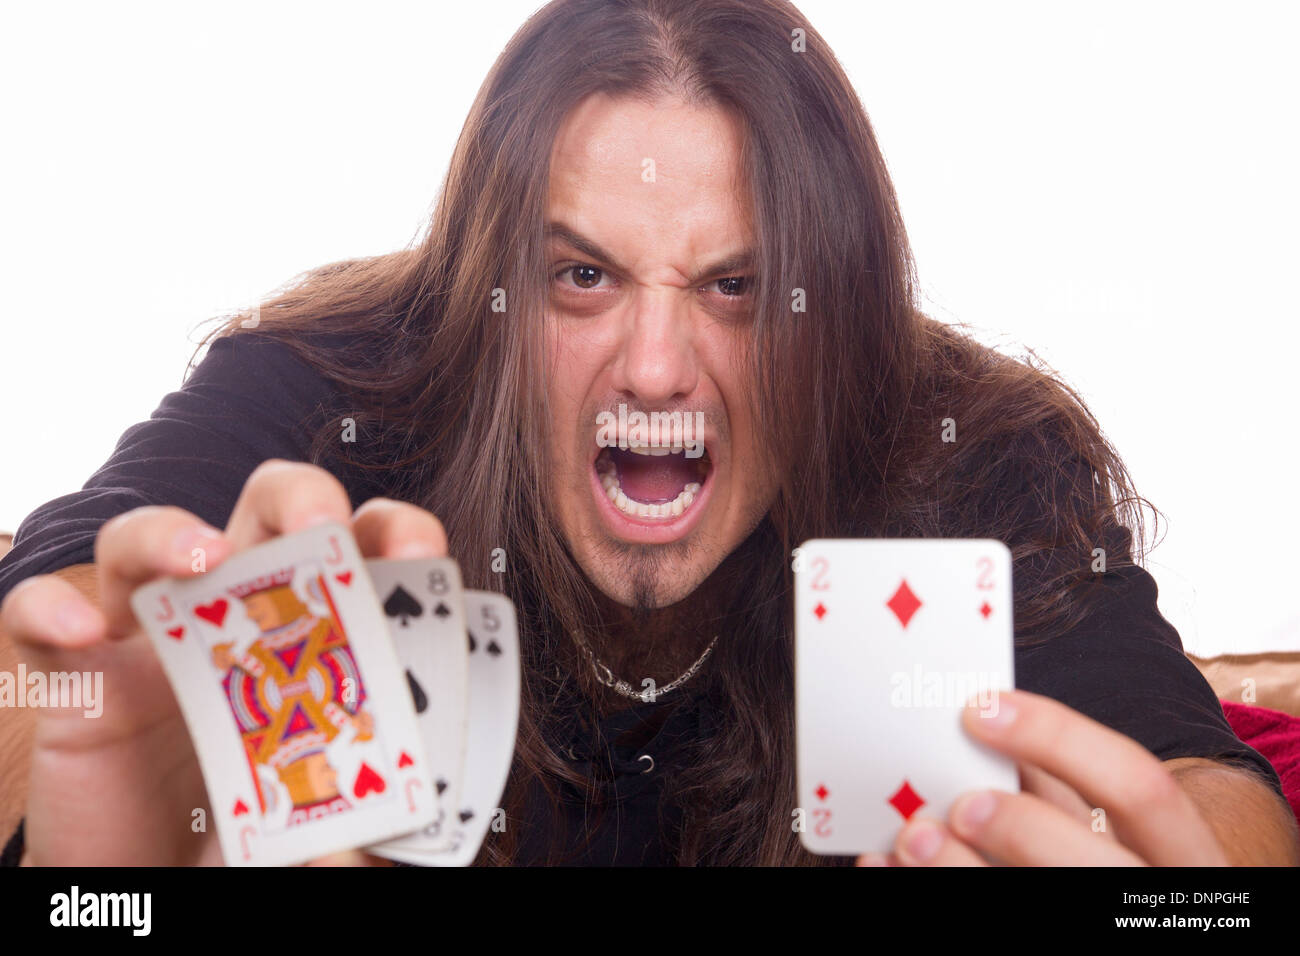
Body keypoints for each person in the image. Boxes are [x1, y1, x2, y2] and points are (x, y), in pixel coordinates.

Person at [0, 0, 1294, 867]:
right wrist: (91, 824)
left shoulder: (970, 454)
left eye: (736, 288)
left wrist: (1165, 878)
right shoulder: (327, 393)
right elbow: (52, 635)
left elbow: (1208, 791)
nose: (658, 366)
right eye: (582, 278)